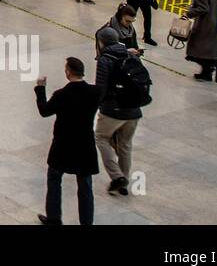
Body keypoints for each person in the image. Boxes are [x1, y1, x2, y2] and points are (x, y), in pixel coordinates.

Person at [35, 57, 99, 225]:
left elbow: (44, 111)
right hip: (85, 145)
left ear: (68, 72)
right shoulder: (95, 92)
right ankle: (86, 221)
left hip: (63, 144)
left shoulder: (61, 95)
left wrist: (40, 89)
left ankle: (54, 218)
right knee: (85, 185)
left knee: (55, 179)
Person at [94, 26, 145, 197]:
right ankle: (124, 179)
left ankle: (117, 177)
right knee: (125, 145)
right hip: (134, 109)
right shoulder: (130, 54)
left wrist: (97, 105)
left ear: (101, 42)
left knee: (101, 137)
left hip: (113, 109)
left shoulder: (105, 59)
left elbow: (101, 87)